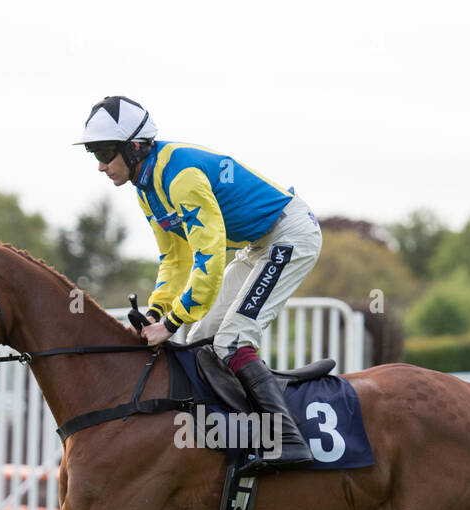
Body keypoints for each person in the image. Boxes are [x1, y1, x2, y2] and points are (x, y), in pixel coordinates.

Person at [74, 95, 322, 472]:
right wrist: (157, 311)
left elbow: (209, 258)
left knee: (232, 339)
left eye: (106, 152)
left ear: (136, 147)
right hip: (258, 243)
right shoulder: (146, 186)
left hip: (290, 234)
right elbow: (175, 259)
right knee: (199, 339)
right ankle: (236, 434)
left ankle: (286, 439)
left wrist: (171, 323)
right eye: (94, 153)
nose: (100, 165)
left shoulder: (181, 177)